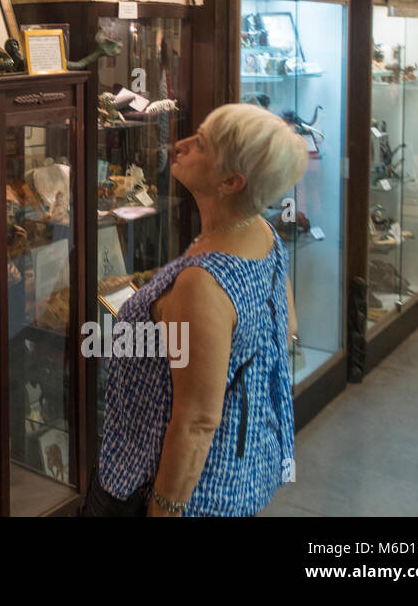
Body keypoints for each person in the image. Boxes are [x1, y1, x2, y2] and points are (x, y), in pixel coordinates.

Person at [88, 103, 306, 516]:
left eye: (200, 143)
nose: (180, 144)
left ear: (230, 180)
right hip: (234, 476)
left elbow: (196, 421)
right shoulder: (262, 233)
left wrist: (164, 509)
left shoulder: (204, 284)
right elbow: (287, 325)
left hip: (160, 485)